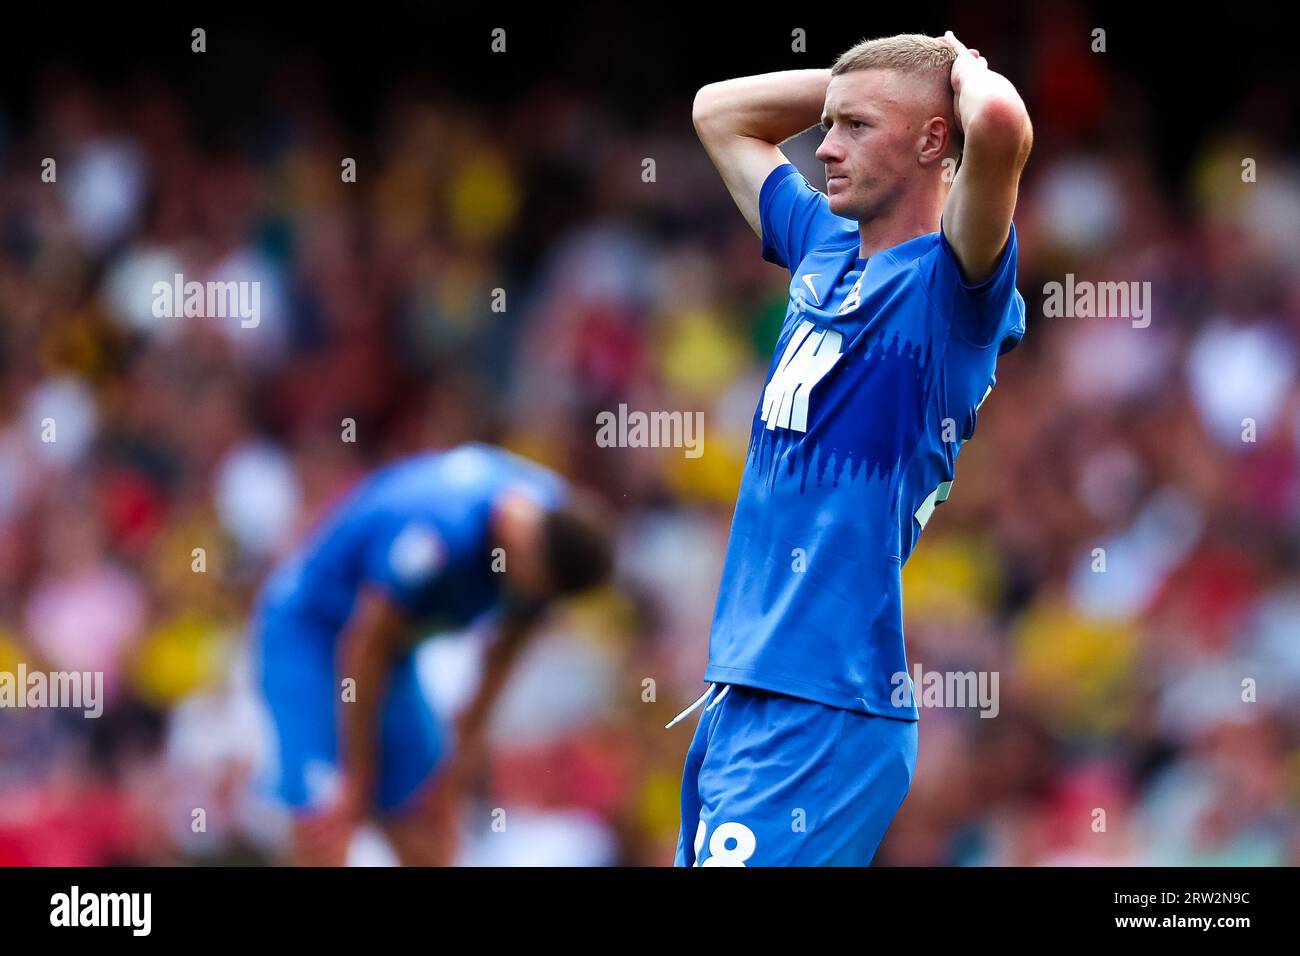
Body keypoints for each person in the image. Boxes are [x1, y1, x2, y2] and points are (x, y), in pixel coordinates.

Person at [674, 31, 1032, 865]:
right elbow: (717, 113)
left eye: (857, 127)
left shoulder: (951, 291)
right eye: (829, 124)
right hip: (748, 690)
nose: (825, 146)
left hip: (824, 703)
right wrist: (858, 84)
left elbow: (1004, 121)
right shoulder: (823, 246)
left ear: (934, 140)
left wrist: (958, 75)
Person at [250, 442, 613, 865]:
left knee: (427, 818)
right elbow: (365, 645)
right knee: (330, 818)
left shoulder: (553, 537)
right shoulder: (439, 535)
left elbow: (503, 651)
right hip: (311, 637)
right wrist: (359, 774)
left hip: (393, 655)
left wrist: (457, 764)